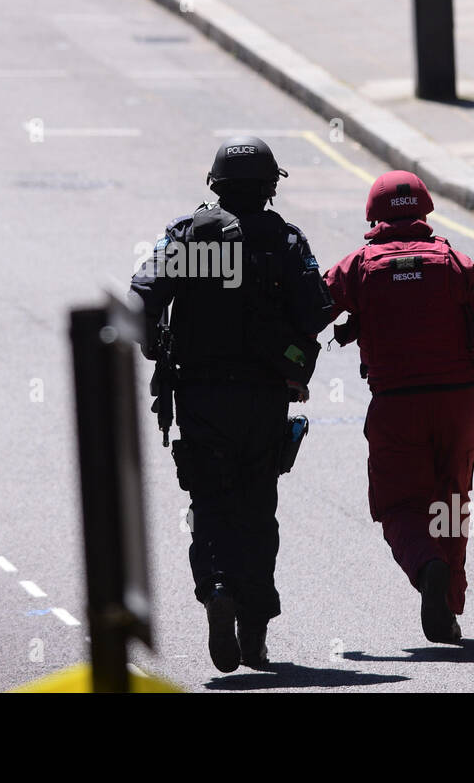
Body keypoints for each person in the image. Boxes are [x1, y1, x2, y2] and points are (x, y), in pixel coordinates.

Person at [130, 137, 333, 673]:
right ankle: (255, 629)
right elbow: (316, 313)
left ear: (215, 184)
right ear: (270, 185)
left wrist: (155, 344)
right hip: (264, 397)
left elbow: (140, 300)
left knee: (211, 505)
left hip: (198, 396)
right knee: (257, 510)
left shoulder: (188, 236)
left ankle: (217, 588)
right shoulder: (286, 240)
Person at [323, 171, 474, 644]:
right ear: (424, 210)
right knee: (452, 504)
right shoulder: (456, 264)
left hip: (396, 406)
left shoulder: (359, 265)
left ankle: (427, 567)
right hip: (459, 404)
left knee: (400, 504)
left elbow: (311, 307)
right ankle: (448, 604)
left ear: (373, 215)